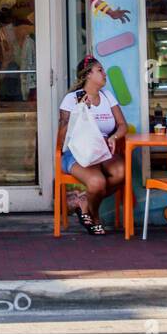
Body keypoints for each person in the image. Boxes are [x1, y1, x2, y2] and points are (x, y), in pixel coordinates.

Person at [57, 56, 126, 236]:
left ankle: (85, 204)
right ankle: (95, 218)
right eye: (100, 70)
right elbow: (61, 137)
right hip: (77, 151)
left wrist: (114, 138)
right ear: (88, 75)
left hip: (102, 148)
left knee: (121, 172)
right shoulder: (72, 99)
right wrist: (78, 111)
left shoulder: (107, 96)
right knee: (97, 182)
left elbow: (122, 125)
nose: (105, 74)